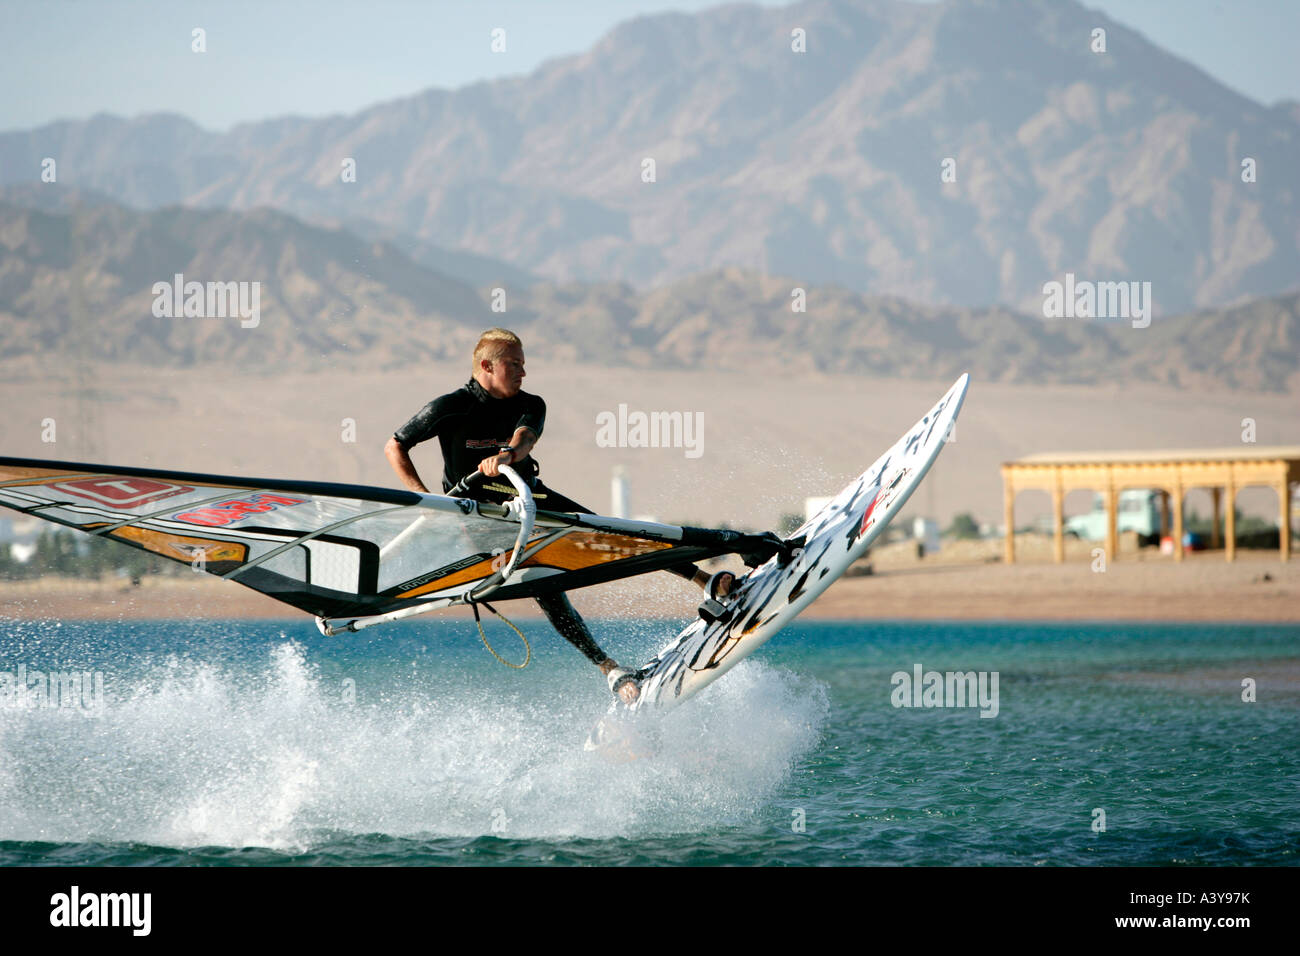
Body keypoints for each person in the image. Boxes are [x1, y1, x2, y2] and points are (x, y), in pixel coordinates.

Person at [385, 328, 735, 705]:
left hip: (530, 496)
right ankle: (610, 669)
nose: (523, 372)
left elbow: (525, 437)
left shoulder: (531, 402)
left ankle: (704, 579)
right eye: (514, 364)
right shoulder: (449, 407)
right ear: (486, 365)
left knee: (616, 536)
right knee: (547, 590)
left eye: (523, 364)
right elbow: (395, 446)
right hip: (482, 518)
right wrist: (428, 500)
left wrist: (506, 456)